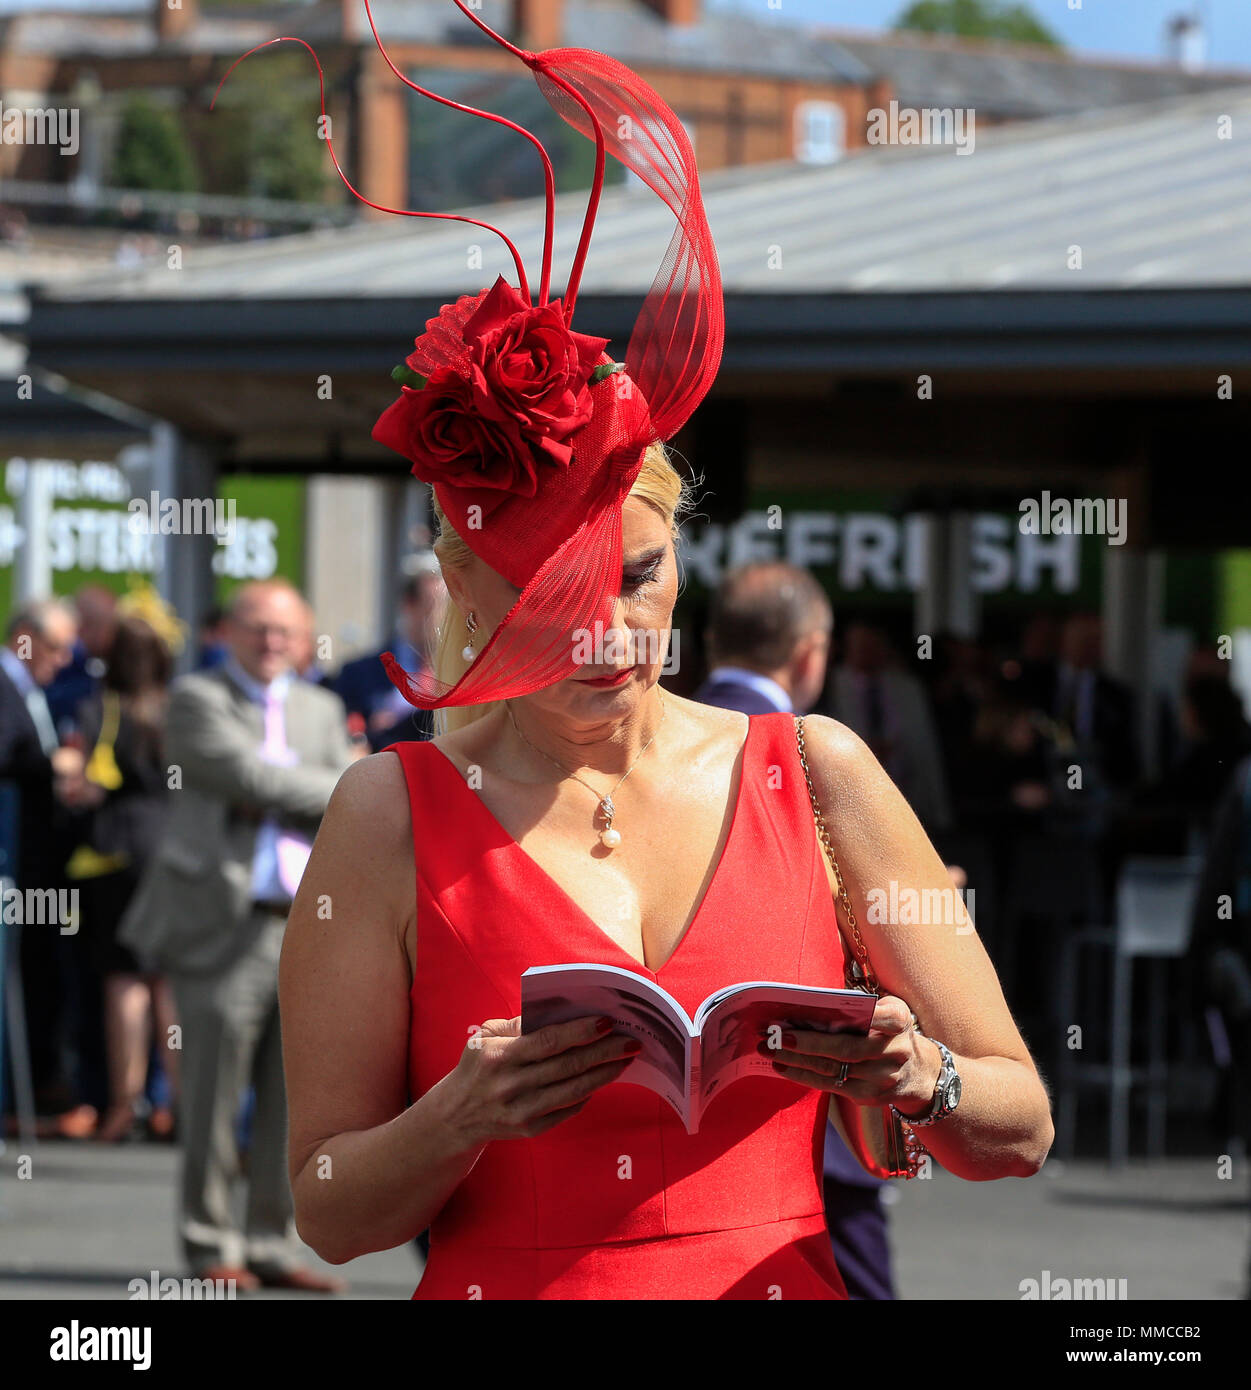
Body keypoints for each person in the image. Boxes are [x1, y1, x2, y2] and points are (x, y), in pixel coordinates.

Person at [271, 5, 1052, 1302]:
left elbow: (1017, 1126)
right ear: (461, 588)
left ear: (681, 551)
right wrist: (454, 1115)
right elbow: (327, 1213)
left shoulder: (813, 769)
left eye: (636, 577)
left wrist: (924, 1077)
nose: (604, 628)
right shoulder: (389, 811)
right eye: (547, 595)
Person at [118, 579, 361, 1291]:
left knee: (294, 1098)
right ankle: (207, 1243)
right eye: (257, 628)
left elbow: (344, 786)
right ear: (227, 631)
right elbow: (249, 776)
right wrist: (325, 781)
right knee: (212, 1097)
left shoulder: (319, 706)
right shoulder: (196, 698)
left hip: (307, 926)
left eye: (285, 631)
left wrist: (316, 782)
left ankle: (271, 1242)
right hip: (224, 924)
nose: (271, 643)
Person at [693, 562, 897, 1300]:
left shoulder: (650, 749)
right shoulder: (819, 755)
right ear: (810, 651)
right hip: (817, 1096)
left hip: (686, 1110)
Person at [63, 596, 182, 1144]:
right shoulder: (181, 708)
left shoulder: (101, 709)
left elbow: (83, 782)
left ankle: (123, 1105)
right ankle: (181, 1107)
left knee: (125, 982)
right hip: (177, 854)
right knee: (170, 983)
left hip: (115, 856)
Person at [0, 598, 97, 1134]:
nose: (63, 660)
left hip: (39, 865)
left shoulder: (27, 687)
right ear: (24, 638)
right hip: (16, 863)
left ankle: (30, 1092)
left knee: (40, 979)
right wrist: (50, 764)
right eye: (56, 647)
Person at [828, 621, 954, 833]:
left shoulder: (908, 689)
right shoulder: (828, 686)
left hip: (908, 803)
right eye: (860, 645)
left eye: (873, 644)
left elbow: (926, 748)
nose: (866, 651)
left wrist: (939, 811)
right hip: (848, 807)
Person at [332, 560, 443, 751]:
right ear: (409, 604)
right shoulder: (357, 674)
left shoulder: (469, 674)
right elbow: (343, 743)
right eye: (437, 605)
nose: (446, 618)